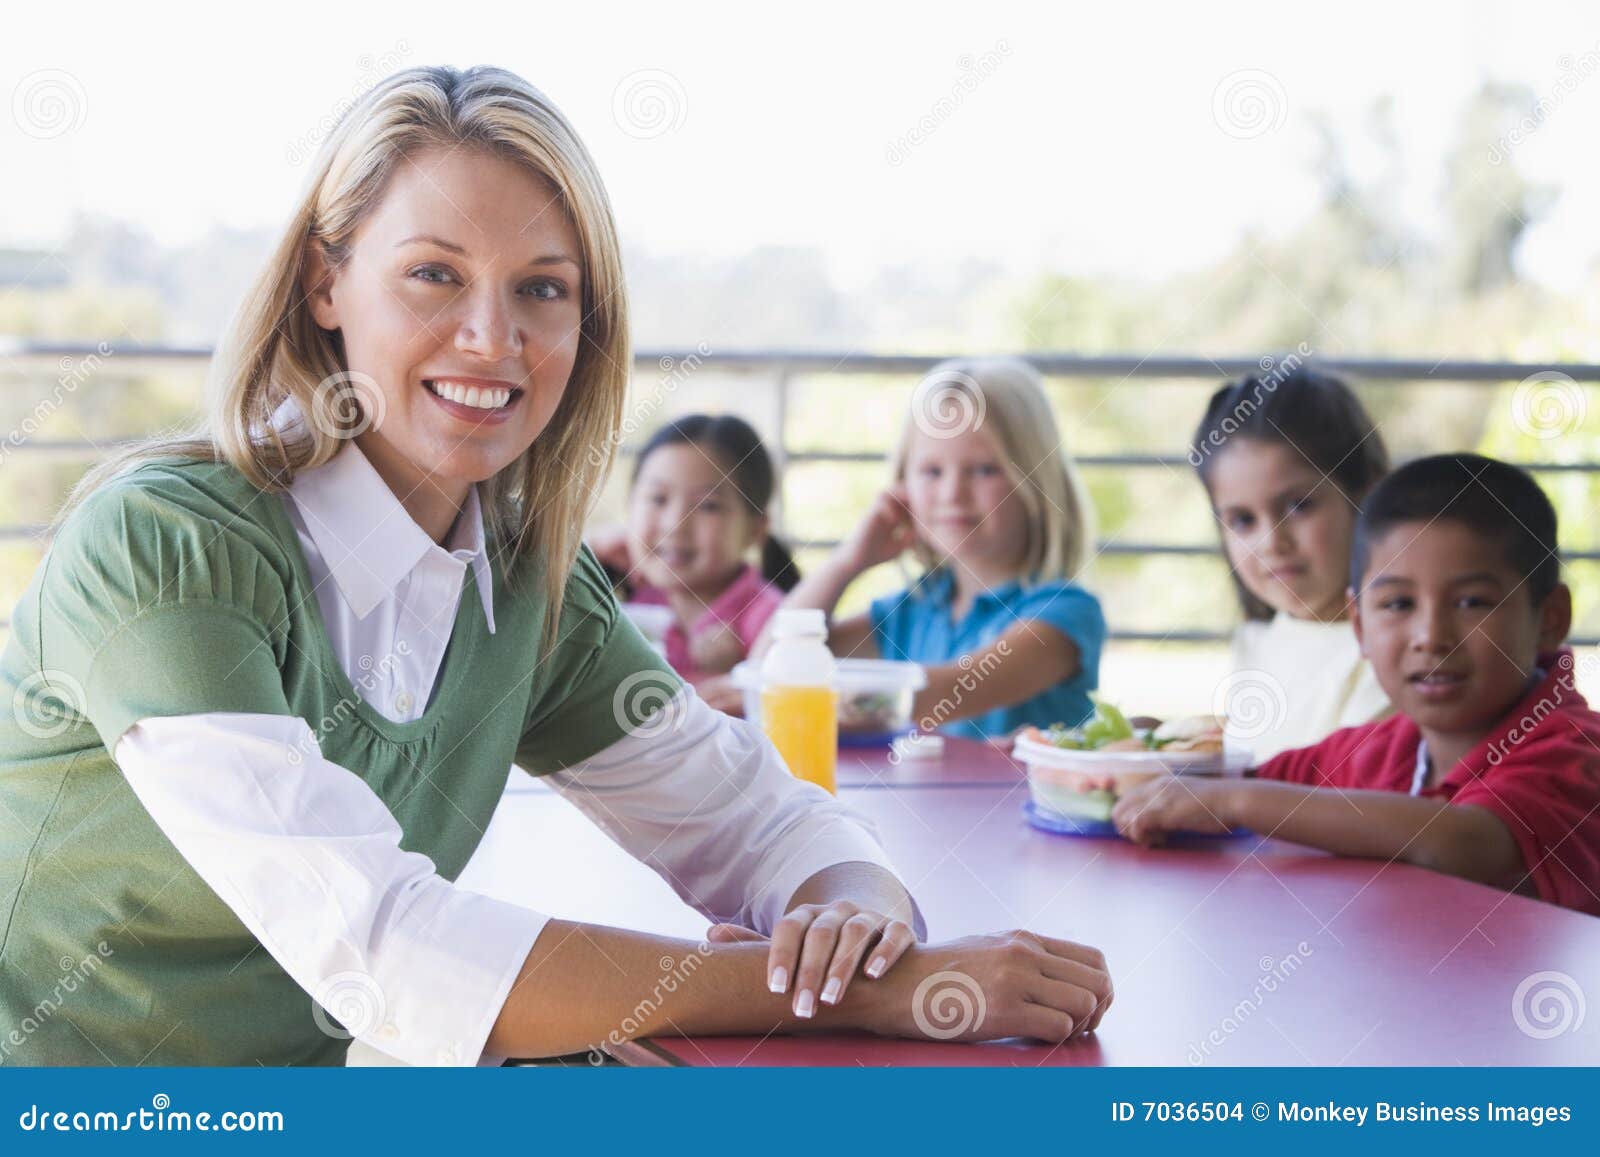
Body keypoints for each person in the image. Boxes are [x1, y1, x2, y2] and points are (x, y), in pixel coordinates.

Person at [0, 65, 1112, 1066]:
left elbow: (755, 820)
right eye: (435, 273)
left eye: (543, 287)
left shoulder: (529, 588)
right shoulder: (167, 549)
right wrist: (854, 999)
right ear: (323, 286)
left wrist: (852, 913)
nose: (495, 338)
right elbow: (385, 953)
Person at [1114, 455, 1600, 916]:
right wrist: (1152, 754)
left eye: (1473, 602)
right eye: (1397, 605)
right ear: (1360, 626)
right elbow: (1239, 786)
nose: (1431, 637)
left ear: (1550, 619)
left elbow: (1466, 843)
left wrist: (1233, 802)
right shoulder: (1378, 749)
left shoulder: (1573, 748)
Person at [770, 356, 1105, 742]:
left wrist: (793, 693)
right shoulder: (910, 612)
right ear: (902, 486)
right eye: (932, 471)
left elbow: (943, 692)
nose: (952, 495)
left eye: (984, 470)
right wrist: (849, 562)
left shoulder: (1065, 614)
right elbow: (777, 656)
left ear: (1037, 480)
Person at [1190, 365, 1392, 760]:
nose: (1271, 542)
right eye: (1243, 520)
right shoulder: (1258, 641)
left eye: (1299, 505)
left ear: (1366, 495)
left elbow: (1344, 801)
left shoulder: (1394, 654)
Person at [587, 414, 795, 715]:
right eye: (658, 499)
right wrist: (584, 553)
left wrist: (741, 681)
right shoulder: (615, 591)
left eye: (708, 506)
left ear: (755, 530)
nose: (674, 525)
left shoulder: (769, 619)